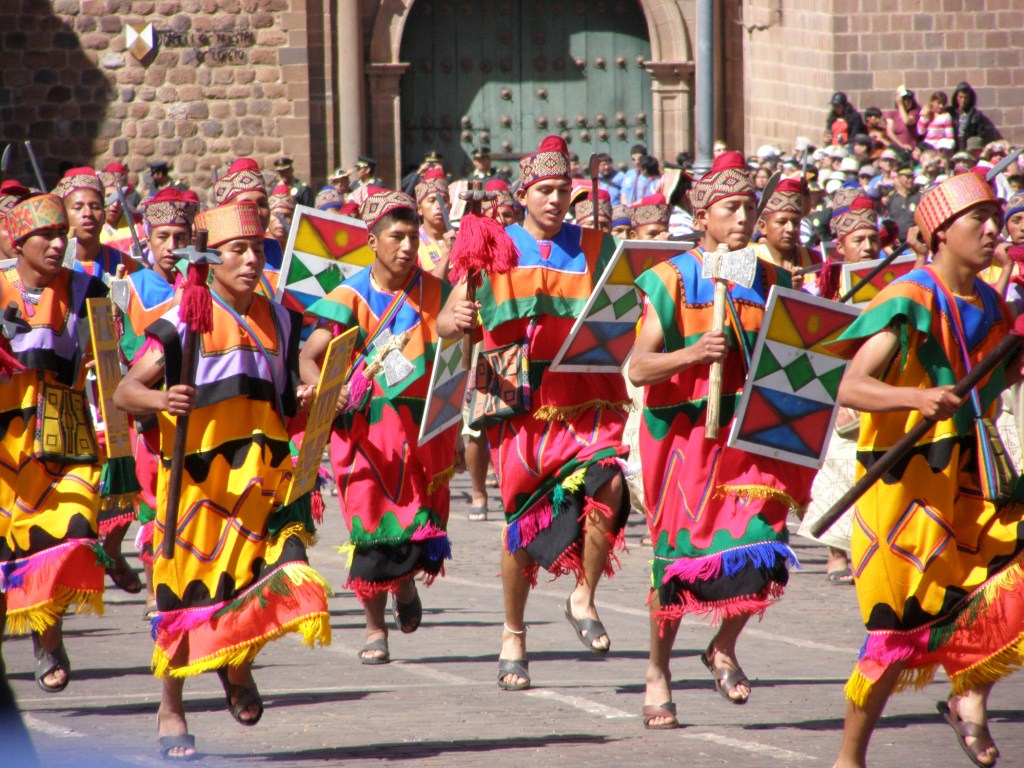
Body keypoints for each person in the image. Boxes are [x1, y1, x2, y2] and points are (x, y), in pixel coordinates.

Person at [114, 200, 331, 760]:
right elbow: (125, 391)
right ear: (211, 259)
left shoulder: (280, 318)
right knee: (185, 597)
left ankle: (237, 664)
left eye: (258, 249)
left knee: (275, 571)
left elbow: (288, 393)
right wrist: (163, 397)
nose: (252, 260)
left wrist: (310, 391)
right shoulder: (186, 317)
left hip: (266, 482)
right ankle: (172, 708)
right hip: (198, 486)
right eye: (238, 250)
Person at [828, 172, 1024, 768]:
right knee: (898, 631)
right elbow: (851, 387)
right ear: (939, 233)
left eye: (998, 218)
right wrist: (915, 399)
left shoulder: (988, 302)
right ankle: (849, 759)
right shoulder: (907, 298)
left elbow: (992, 377)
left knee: (1007, 581)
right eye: (978, 219)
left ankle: (969, 697)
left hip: (969, 477)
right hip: (903, 487)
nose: (994, 230)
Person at [438, 135, 631, 691]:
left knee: (610, 482)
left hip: (584, 397)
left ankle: (582, 595)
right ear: (524, 193)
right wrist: (463, 319)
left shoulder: (597, 247)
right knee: (522, 527)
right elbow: (448, 327)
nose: (555, 200)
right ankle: (513, 633)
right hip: (516, 400)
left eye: (563, 190)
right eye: (545, 190)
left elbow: (621, 319)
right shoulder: (492, 244)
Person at [630, 151, 813, 728]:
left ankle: (724, 645)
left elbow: (797, 363)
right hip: (683, 442)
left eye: (749, 207)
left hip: (748, 440)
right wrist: (693, 354)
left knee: (766, 545)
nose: (742, 218)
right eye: (731, 207)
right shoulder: (670, 279)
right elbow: (638, 367)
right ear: (704, 215)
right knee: (678, 568)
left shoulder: (773, 281)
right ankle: (658, 671)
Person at [299, 189, 457, 664]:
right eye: (397, 237)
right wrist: (332, 390)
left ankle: (405, 584)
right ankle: (373, 627)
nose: (408, 247)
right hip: (363, 434)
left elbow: (455, 350)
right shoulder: (347, 296)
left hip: (418, 433)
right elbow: (310, 360)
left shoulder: (436, 293)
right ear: (372, 241)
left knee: (409, 526)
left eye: (413, 237)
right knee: (369, 527)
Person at [0, 193, 109, 695]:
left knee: (68, 534)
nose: (60, 244)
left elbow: (112, 363)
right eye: (47, 236)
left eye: (63, 234)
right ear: (19, 242)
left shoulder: (89, 288)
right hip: (4, 444)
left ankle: (49, 635)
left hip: (63, 440)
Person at [120, 188, 197, 620]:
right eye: (163, 236)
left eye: (180, 236)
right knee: (155, 498)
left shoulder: (203, 285)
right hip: (150, 410)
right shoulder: (132, 287)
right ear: (147, 239)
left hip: (199, 406)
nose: (172, 246)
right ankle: (155, 587)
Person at [797, 196, 882, 586]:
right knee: (835, 469)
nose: (868, 248)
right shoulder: (821, 290)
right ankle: (835, 553)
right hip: (835, 393)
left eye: (873, 239)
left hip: (880, 390)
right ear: (840, 246)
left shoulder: (894, 284)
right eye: (859, 240)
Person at [53, 167, 137, 284]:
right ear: (63, 215)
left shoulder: (127, 266)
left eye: (95, 207)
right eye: (78, 207)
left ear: (103, 215)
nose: (88, 213)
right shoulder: (51, 268)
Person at [213, 158, 283, 296]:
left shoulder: (277, 253)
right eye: (246, 204)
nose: (256, 211)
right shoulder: (203, 260)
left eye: (262, 204)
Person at [752, 177, 819, 291]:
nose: (790, 229)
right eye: (781, 222)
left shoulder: (816, 260)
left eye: (795, 222)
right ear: (763, 227)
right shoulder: (750, 260)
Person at [415, 168, 454, 278]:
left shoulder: (462, 237)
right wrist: (447, 253)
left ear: (450, 207)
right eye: (432, 201)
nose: (439, 206)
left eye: (444, 201)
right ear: (419, 209)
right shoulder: (413, 242)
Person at [950, 81, 999, 153]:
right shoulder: (951, 113)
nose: (963, 101)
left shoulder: (976, 115)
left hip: (968, 148)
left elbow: (980, 134)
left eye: (966, 98)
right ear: (956, 97)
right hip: (953, 147)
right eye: (960, 97)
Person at [885, 161, 921, 241]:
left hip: (915, 241)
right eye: (907, 177)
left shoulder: (918, 197)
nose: (910, 180)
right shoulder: (892, 198)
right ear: (899, 177)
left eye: (912, 177)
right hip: (896, 243)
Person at [266, 183, 296, 249]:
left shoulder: (299, 250)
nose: (281, 220)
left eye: (287, 215)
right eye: (276, 215)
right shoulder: (258, 248)